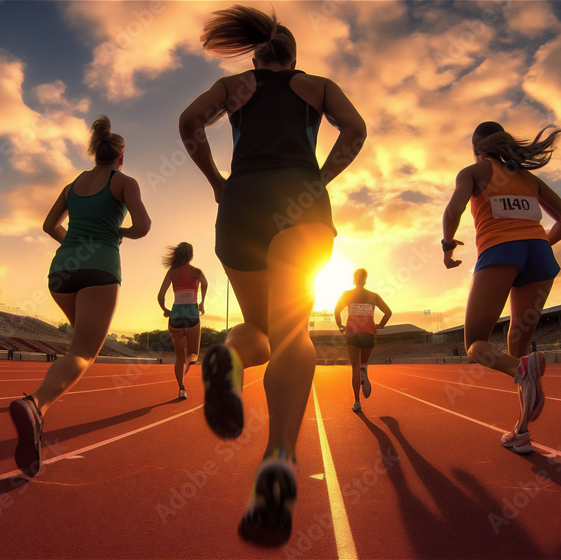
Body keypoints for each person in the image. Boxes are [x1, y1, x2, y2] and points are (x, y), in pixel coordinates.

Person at [179, 4, 365, 546]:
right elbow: (355, 131)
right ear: (293, 55)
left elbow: (188, 123)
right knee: (291, 333)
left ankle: (227, 356)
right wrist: (320, 176)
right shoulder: (318, 87)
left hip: (240, 203)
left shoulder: (233, 87)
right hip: (300, 200)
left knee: (258, 329)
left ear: (256, 52)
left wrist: (216, 178)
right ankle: (279, 457)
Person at [8, 116, 151, 477]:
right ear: (121, 156)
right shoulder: (124, 182)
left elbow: (48, 225)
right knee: (84, 353)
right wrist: (117, 233)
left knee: (79, 344)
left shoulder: (72, 185)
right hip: (100, 268)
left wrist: (72, 246)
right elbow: (144, 227)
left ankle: (40, 413)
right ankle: (35, 404)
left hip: (62, 271)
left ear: (95, 152)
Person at [442, 121, 561, 454]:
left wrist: (447, 247)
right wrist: (539, 243)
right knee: (520, 347)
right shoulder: (530, 179)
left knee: (475, 342)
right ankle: (522, 432)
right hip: (540, 257)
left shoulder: (473, 172)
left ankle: (520, 369)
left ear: (477, 148)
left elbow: (453, 209)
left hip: (501, 251)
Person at [334, 268, 391, 412]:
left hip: (352, 334)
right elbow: (388, 312)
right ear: (365, 279)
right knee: (362, 364)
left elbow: (336, 311)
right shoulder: (374, 296)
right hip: (368, 334)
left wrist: (340, 326)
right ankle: (364, 369)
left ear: (354, 279)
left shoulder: (347, 295)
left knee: (354, 368)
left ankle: (357, 402)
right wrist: (381, 325)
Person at [157, 242, 209, 400]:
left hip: (175, 318)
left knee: (179, 357)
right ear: (191, 255)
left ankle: (181, 388)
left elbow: (160, 296)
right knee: (194, 354)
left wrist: (165, 310)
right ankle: (190, 361)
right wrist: (202, 302)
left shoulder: (172, 272)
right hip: (192, 316)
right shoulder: (196, 271)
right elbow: (205, 284)